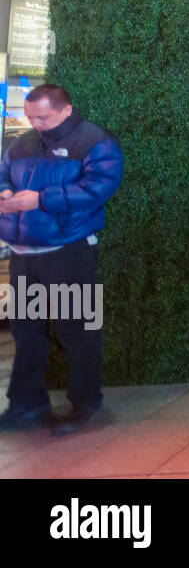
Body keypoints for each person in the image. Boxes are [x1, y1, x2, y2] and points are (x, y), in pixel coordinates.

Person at [0, 85, 124, 435]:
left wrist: (40, 199)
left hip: (70, 250)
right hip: (24, 253)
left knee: (78, 327)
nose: (35, 122)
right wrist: (5, 194)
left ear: (66, 110)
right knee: (26, 330)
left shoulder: (97, 142)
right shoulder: (21, 142)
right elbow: (3, 173)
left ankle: (86, 403)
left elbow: (97, 188)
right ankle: (26, 404)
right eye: (30, 115)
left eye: (42, 116)